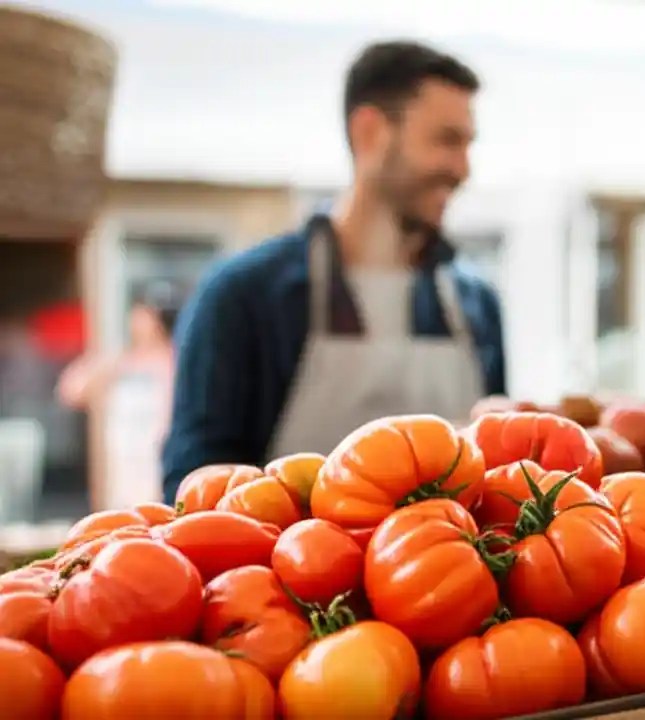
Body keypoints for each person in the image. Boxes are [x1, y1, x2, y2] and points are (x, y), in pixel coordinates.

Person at [161, 41, 506, 503]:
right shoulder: (243, 296)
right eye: (446, 141)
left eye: (468, 145)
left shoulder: (476, 304)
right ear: (369, 133)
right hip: (295, 572)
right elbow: (193, 494)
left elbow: (498, 475)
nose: (463, 170)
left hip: (450, 568)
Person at [58, 285, 179, 508]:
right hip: (122, 467)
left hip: (156, 461)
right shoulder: (122, 362)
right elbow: (72, 391)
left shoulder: (173, 362)